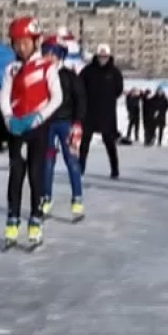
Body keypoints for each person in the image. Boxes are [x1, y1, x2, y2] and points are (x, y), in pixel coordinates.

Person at [0, 17, 62, 249]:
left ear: (36, 42)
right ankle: (12, 218)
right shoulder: (11, 69)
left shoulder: (47, 67)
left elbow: (57, 97)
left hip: (38, 128)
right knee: (16, 174)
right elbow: (4, 96)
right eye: (17, 43)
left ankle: (35, 218)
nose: (21, 47)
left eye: (25, 42)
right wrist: (9, 118)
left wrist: (39, 117)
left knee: (36, 174)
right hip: (17, 128)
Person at [38, 37, 86, 220]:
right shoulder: (40, 75)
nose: (49, 57)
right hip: (46, 124)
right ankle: (46, 198)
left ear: (59, 56)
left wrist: (77, 121)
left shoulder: (69, 76)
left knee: (71, 160)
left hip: (66, 123)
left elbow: (80, 98)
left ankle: (77, 199)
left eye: (52, 53)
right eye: (46, 53)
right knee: (47, 162)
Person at [77, 44, 124, 177]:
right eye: (100, 57)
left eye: (105, 57)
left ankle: (115, 169)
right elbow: (79, 87)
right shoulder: (88, 71)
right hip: (89, 112)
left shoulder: (114, 72)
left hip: (107, 114)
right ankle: (80, 167)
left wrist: (108, 99)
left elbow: (119, 89)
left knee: (109, 143)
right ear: (96, 57)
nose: (103, 59)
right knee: (85, 142)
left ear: (109, 57)